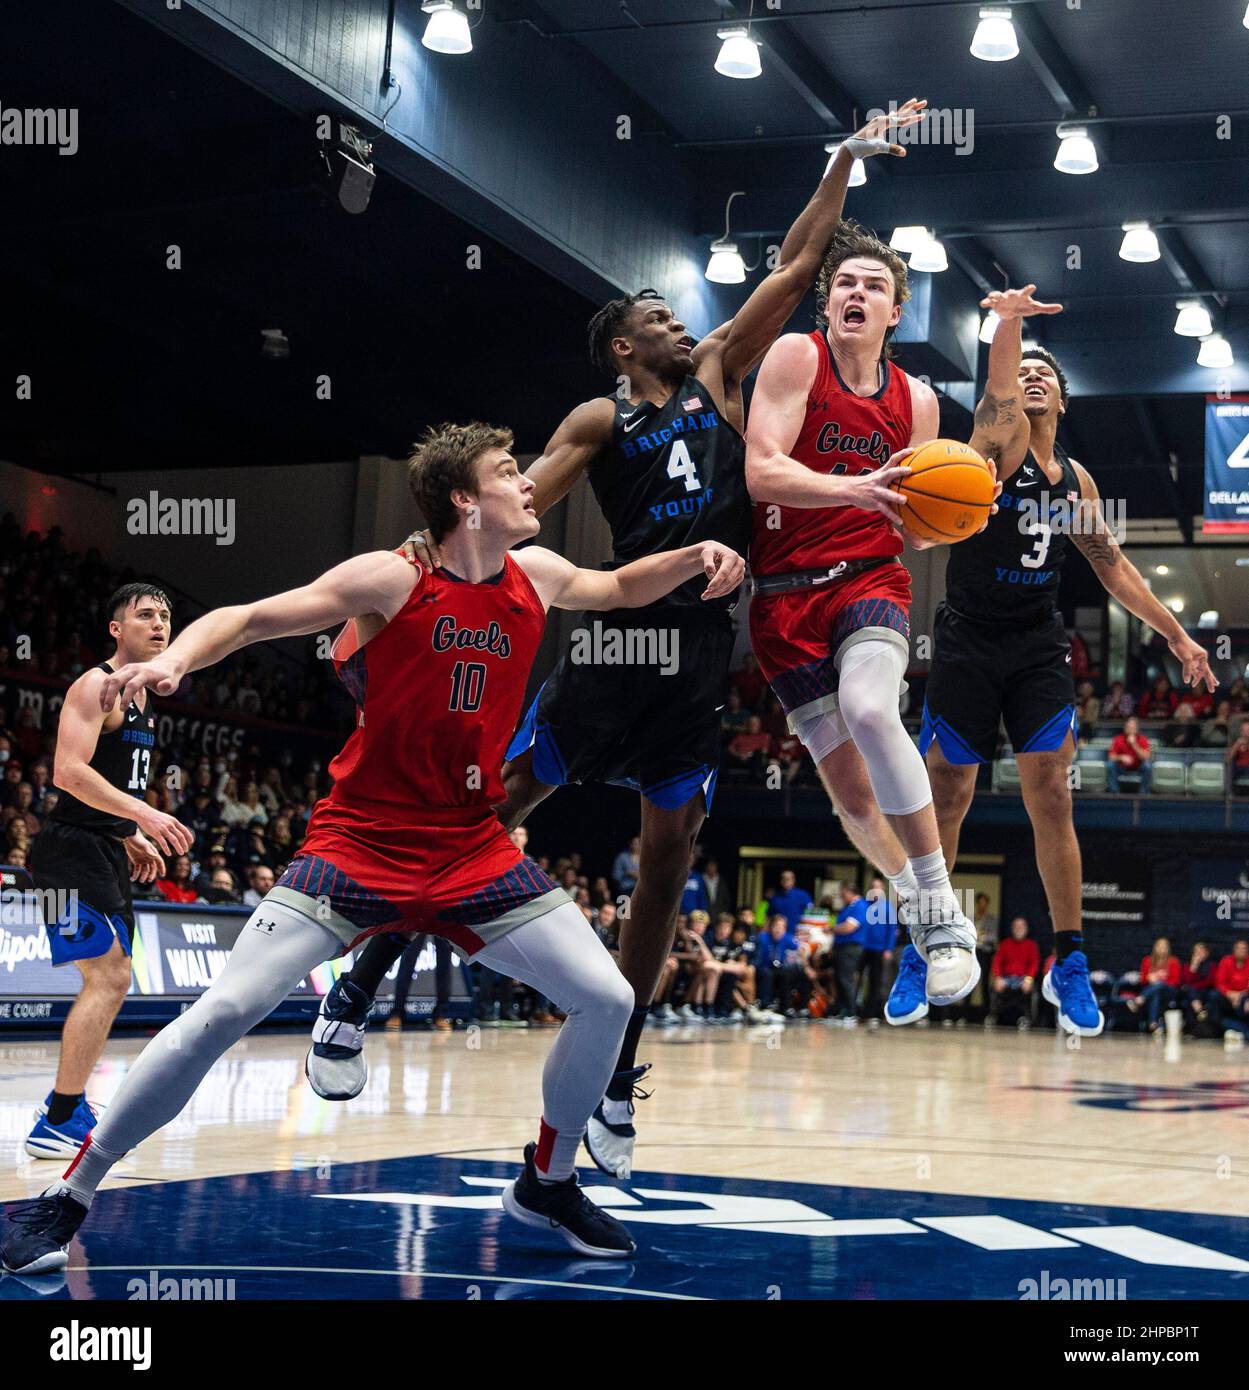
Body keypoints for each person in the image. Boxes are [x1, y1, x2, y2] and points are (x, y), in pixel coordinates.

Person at [312, 102, 930, 1184]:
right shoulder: (600, 421)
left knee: (668, 868)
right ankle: (362, 983)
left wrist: (840, 160)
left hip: (700, 661)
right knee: (484, 816)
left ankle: (616, 1073)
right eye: (658, 316)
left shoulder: (718, 375)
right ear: (620, 344)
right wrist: (392, 585)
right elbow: (495, 512)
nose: (681, 326)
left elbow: (794, 263)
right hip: (613, 650)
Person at [0, 422, 745, 1275]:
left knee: (607, 998)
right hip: (359, 842)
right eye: (510, 472)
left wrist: (695, 556)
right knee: (221, 1013)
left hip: (472, 846)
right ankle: (71, 1193)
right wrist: (179, 663)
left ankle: (547, 1178)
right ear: (465, 499)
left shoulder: (535, 575)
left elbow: (614, 587)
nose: (531, 484)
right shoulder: (393, 578)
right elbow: (249, 617)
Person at [899, 288, 1213, 1036]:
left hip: (1036, 644)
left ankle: (1066, 959)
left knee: (1053, 795)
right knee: (947, 794)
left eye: (1049, 374)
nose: (1034, 378)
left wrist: (1176, 633)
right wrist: (1008, 323)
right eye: (1026, 371)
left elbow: (1112, 568)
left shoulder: (1075, 485)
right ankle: (928, 942)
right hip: (968, 639)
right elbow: (1000, 387)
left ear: (1065, 406)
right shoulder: (995, 445)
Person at [747, 218, 989, 1024]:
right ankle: (919, 909)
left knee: (870, 708)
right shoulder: (795, 357)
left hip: (867, 582)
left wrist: (961, 514)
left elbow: (912, 524)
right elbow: (760, 471)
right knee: (851, 797)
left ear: (896, 311)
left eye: (873, 285)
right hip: (783, 598)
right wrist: (852, 488)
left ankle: (942, 911)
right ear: (829, 302)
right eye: (844, 282)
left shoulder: (915, 399)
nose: (855, 292)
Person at [20, 585, 193, 1161]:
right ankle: (59, 1116)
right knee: (110, 978)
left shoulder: (144, 698)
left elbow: (105, 785)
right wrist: (141, 813)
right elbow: (67, 775)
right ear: (116, 629)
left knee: (111, 980)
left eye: (166, 616)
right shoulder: (97, 684)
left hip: (101, 850)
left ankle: (65, 1109)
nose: (159, 623)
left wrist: (129, 835)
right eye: (145, 615)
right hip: (62, 856)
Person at [830, 881, 870, 1021]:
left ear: (848, 891)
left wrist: (831, 929)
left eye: (842, 893)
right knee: (840, 978)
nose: (841, 896)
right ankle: (842, 1009)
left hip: (851, 948)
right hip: (843, 947)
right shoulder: (850, 907)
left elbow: (849, 927)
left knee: (846, 979)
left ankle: (851, 1011)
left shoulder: (859, 906)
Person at [989, 918, 1040, 1026]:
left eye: (1021, 927)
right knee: (994, 988)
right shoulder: (1005, 944)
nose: (1018, 929)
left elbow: (1034, 964)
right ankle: (993, 1016)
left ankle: (1028, 1018)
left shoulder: (1031, 945)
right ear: (1012, 929)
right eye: (1016, 927)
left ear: (1026, 929)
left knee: (1030, 989)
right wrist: (998, 978)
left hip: (1023, 978)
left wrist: (1029, 979)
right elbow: (997, 962)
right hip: (1006, 978)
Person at [1125, 937, 1180, 1034]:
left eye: (1164, 947)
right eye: (1159, 946)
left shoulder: (1173, 962)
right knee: (1156, 993)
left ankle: (1139, 1000)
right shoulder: (1147, 960)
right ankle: (1153, 1025)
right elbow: (1142, 981)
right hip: (1153, 991)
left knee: (1159, 985)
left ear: (1168, 949)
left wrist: (1160, 978)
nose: (1162, 949)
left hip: (1169, 991)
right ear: (1155, 948)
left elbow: (1175, 982)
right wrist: (1148, 978)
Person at [1108, 716, 1154, 794]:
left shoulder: (1143, 739)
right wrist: (1121, 757)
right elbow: (1111, 757)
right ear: (1125, 728)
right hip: (1122, 768)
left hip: (1138, 767)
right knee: (1110, 765)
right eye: (1128, 727)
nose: (1130, 729)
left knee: (1148, 766)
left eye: (1133, 727)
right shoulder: (1118, 739)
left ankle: (1143, 793)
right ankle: (1114, 792)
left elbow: (1147, 757)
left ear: (1137, 729)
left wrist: (1134, 744)